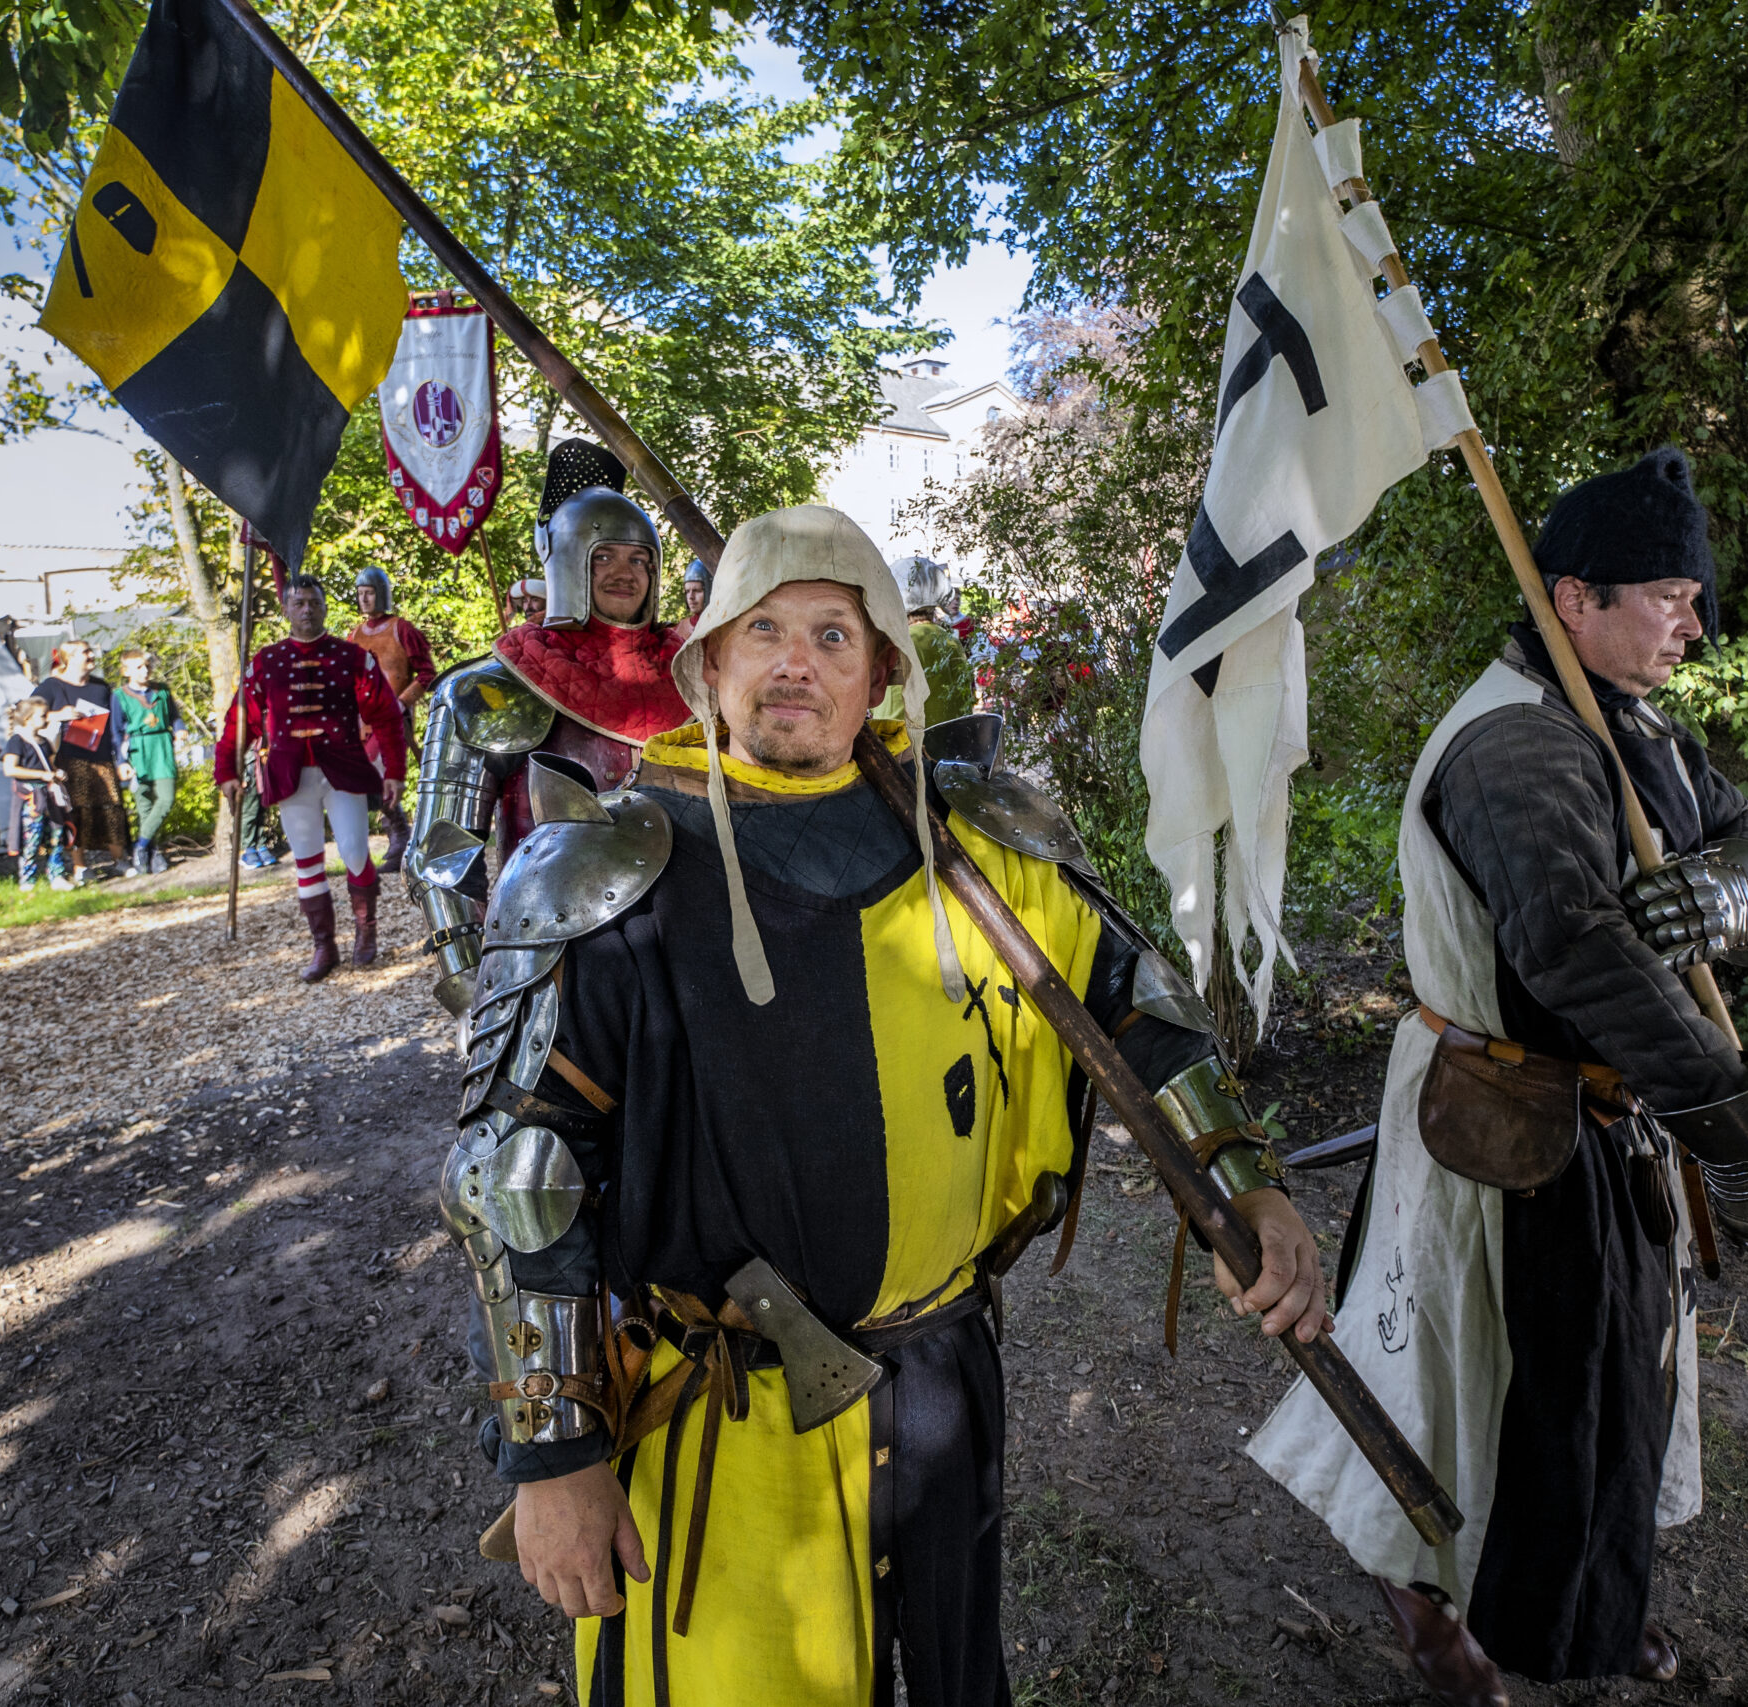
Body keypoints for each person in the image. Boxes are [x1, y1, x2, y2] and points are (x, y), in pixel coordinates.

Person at [436, 504, 1331, 1706]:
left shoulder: (980, 838)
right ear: (709, 662)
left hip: (944, 1377)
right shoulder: (609, 869)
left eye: (832, 635)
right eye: (763, 631)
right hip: (731, 1412)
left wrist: (1243, 1182)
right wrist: (554, 1455)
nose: (795, 663)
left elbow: (1138, 1005)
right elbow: (517, 1172)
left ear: (882, 674)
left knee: (961, 1683)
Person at [1250, 448, 1748, 1704]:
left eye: (1691, 599)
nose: (1691, 625)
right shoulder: (1515, 743)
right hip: (1501, 1119)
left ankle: (1582, 1606)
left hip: (1611, 1118)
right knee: (1475, 1382)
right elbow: (1578, 955)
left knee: (1615, 1372)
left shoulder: (1632, 726)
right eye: (1667, 597)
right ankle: (1427, 1603)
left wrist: (1727, 892)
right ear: (1574, 597)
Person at [405, 441, 689, 1012]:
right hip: (552, 950)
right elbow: (441, 855)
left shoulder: (697, 675)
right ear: (568, 563)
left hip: (686, 934)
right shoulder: (491, 686)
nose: (625, 573)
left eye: (639, 560)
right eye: (604, 557)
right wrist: (471, 987)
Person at [217, 575, 408, 981]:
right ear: (286, 609)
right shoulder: (266, 662)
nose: (306, 610)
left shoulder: (351, 657)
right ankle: (324, 946)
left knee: (355, 852)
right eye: (299, 603)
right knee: (306, 861)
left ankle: (366, 931)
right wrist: (227, 771)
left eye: (313, 603)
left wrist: (394, 770)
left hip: (343, 770)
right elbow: (240, 720)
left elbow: (386, 714)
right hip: (290, 775)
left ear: (324, 607)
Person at [345, 566, 438, 868]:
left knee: (377, 772)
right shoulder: (354, 636)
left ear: (381, 594)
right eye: (360, 594)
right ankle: (395, 838)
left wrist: (402, 703)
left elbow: (427, 674)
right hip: (362, 721)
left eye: (369, 593)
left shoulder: (402, 629)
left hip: (393, 718)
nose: (364, 599)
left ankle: (400, 836)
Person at [35, 641, 128, 878]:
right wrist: (57, 715)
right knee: (78, 812)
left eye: (90, 651)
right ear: (70, 658)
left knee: (112, 809)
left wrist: (120, 758)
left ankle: (120, 861)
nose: (91, 655)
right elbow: (25, 712)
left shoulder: (100, 687)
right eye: (85, 652)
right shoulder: (52, 686)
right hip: (71, 760)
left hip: (102, 758)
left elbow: (114, 723)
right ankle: (80, 867)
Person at [877, 555, 976, 725]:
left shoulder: (897, 644)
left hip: (905, 740)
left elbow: (888, 713)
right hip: (952, 739)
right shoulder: (951, 642)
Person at [112, 649, 179, 875]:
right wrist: (122, 761)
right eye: (139, 667)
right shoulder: (120, 696)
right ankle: (153, 852)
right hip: (137, 750)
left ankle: (140, 845)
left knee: (166, 798)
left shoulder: (162, 690)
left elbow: (174, 716)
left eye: (147, 666)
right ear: (126, 671)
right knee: (145, 805)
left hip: (162, 747)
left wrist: (180, 729)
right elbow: (116, 732)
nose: (145, 671)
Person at [1, 696, 73, 891]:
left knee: (56, 834)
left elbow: (50, 764)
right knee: (31, 837)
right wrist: (41, 775)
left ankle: (57, 874)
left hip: (50, 797)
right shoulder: (17, 742)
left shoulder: (44, 742)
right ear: (28, 719)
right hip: (31, 799)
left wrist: (57, 772)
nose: (46, 718)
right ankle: (28, 879)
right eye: (42, 715)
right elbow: (10, 769)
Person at [678, 556, 710, 629]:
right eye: (687, 591)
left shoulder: (724, 627)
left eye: (697, 590)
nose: (691, 597)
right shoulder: (679, 629)